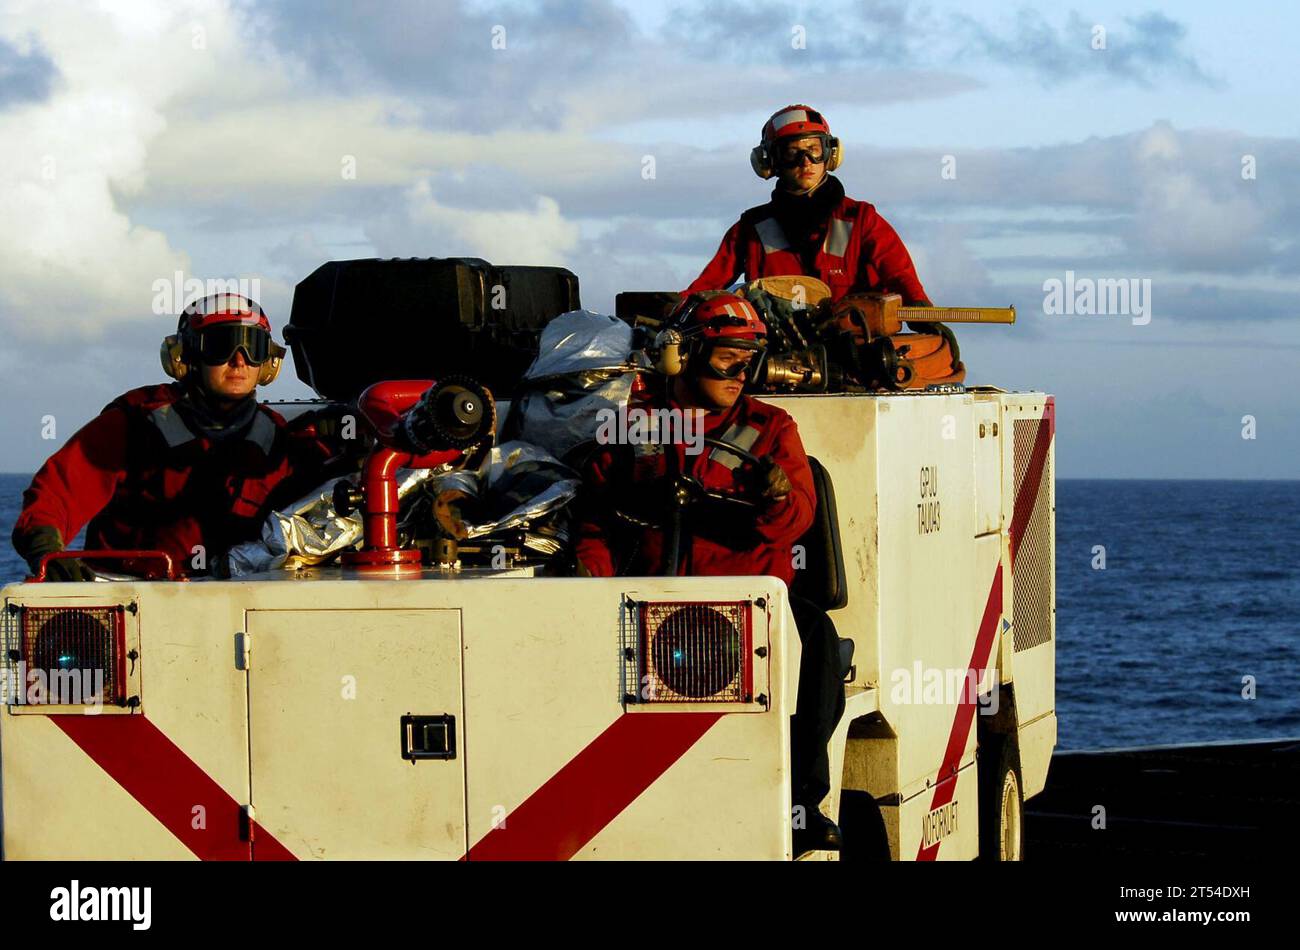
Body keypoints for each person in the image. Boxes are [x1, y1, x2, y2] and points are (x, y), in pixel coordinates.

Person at [574, 291, 847, 854]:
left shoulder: (772, 429)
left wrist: (774, 495)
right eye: (728, 354)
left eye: (750, 356)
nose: (741, 369)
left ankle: (804, 804)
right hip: (645, 613)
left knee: (814, 637)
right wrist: (588, 589)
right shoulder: (632, 429)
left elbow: (796, 520)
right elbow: (596, 520)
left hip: (747, 614)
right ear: (685, 354)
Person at [12, 294, 336, 580]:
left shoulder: (282, 443)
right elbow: (57, 494)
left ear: (268, 364)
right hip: (134, 604)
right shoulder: (135, 425)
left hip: (239, 605)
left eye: (254, 347)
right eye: (222, 345)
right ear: (185, 356)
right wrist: (47, 552)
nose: (239, 360)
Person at [685, 104, 932, 307]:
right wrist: (673, 311)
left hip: (854, 354)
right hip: (774, 359)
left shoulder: (861, 220)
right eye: (792, 153)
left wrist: (920, 308)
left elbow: (900, 274)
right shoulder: (750, 229)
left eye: (814, 150)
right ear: (769, 161)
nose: (806, 162)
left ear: (831, 154)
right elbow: (706, 287)